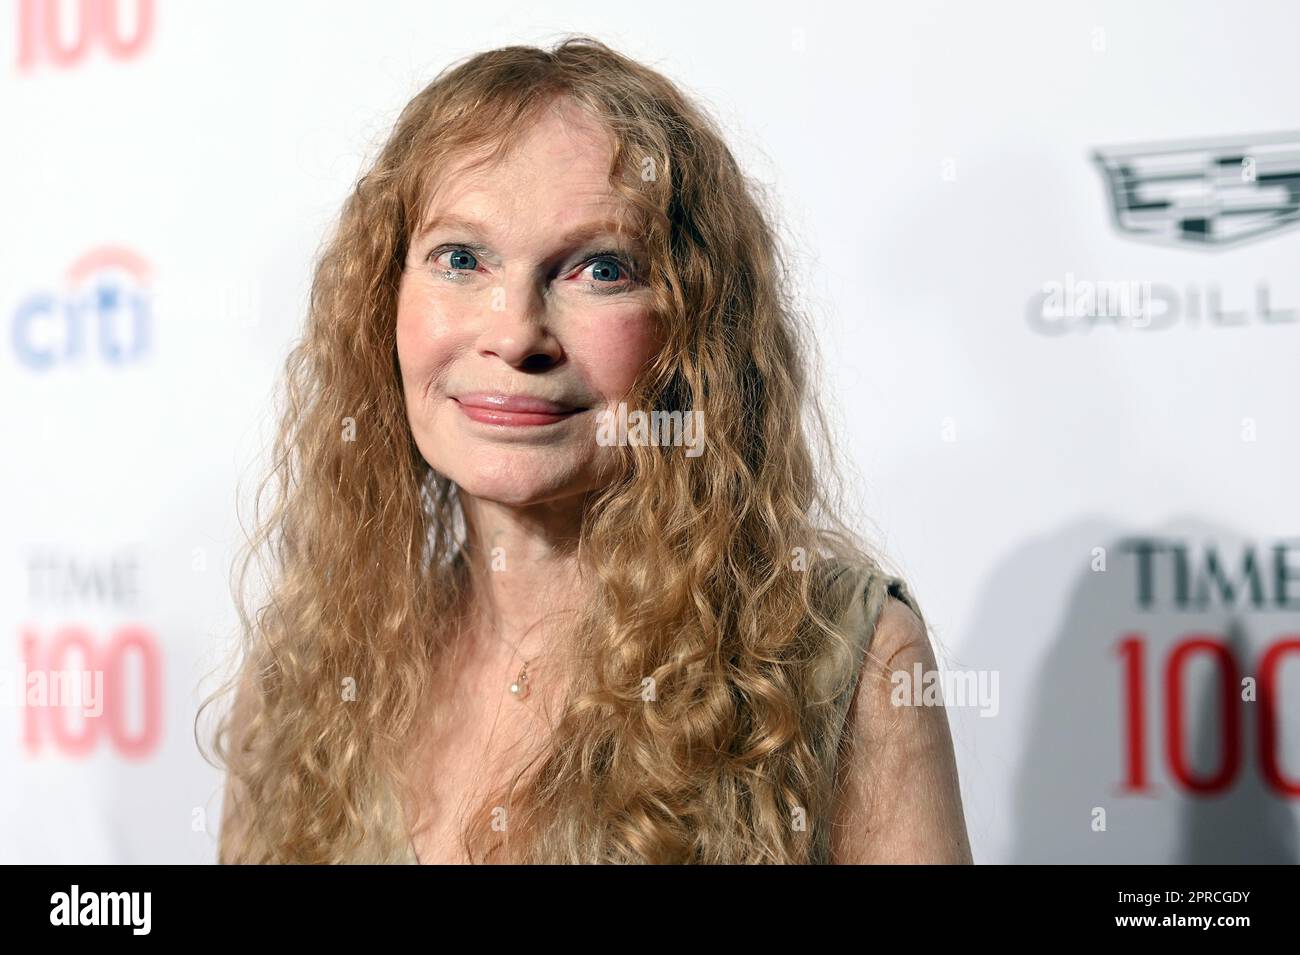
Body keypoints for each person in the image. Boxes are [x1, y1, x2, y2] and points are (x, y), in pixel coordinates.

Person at [205, 35, 972, 865]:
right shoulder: (309, 673)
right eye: (460, 258)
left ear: (694, 336)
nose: (514, 333)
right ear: (382, 303)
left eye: (599, 269)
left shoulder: (841, 663)